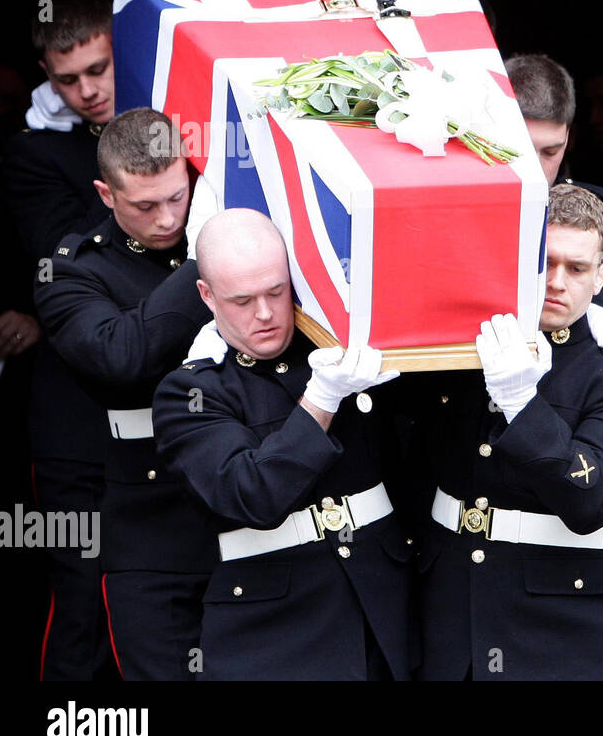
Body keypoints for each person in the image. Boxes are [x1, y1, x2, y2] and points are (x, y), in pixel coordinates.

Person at [415, 183, 603, 679]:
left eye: (576, 269)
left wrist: (521, 404)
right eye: (544, 262)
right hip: (454, 611)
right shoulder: (462, 346)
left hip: (562, 628)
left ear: (602, 277)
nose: (557, 281)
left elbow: (590, 499)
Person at [152, 209, 413, 680]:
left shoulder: (338, 346)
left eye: (276, 291)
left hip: (383, 603)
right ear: (206, 296)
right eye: (242, 300)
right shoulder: (192, 392)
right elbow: (249, 493)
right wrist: (321, 398)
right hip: (274, 623)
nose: (267, 313)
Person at [34, 107, 219, 680]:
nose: (167, 218)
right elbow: (122, 354)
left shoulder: (214, 219)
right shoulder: (73, 271)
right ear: (105, 195)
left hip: (250, 504)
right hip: (153, 522)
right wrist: (212, 257)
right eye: (144, 206)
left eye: (177, 196)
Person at [2, 0, 116, 679]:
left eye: (99, 70)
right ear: (45, 72)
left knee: (164, 598)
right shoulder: (29, 151)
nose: (86, 90)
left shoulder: (179, 115)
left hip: (170, 417)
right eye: (67, 79)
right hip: (71, 423)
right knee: (78, 596)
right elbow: (65, 260)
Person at [505, 52, 603, 319]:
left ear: (569, 137)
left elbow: (598, 342)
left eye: (550, 152)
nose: (535, 169)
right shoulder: (452, 208)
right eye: (522, 150)